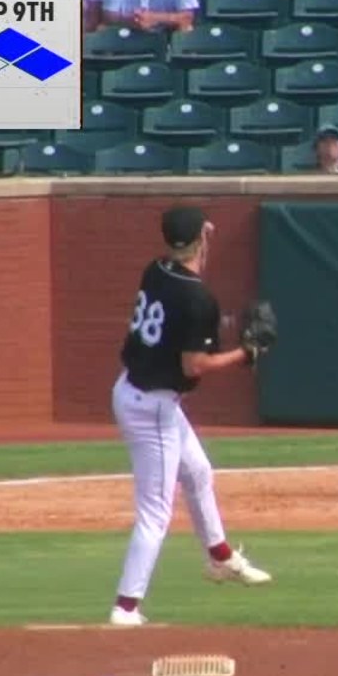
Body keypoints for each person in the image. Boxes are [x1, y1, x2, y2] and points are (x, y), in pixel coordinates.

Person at [108, 206, 274, 627]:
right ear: (200, 240)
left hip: (136, 391)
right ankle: (126, 606)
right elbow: (194, 366)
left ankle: (220, 558)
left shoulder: (156, 269)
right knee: (155, 513)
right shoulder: (197, 298)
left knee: (198, 472)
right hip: (153, 407)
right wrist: (246, 354)